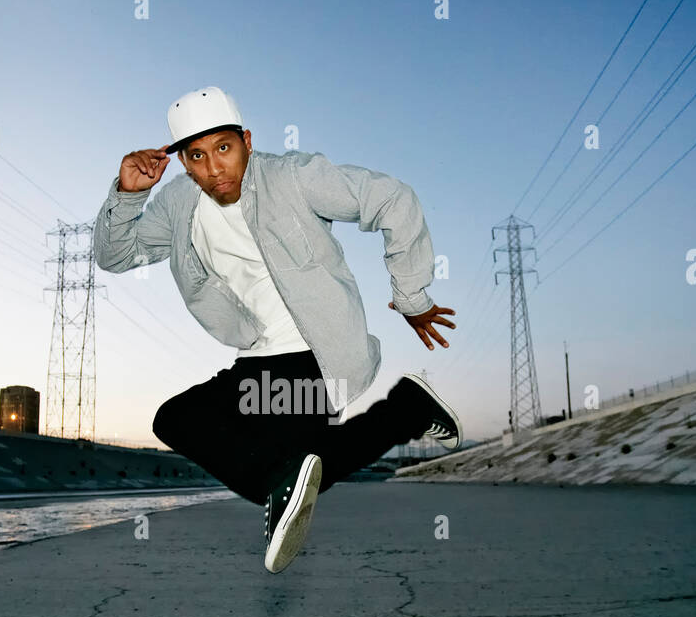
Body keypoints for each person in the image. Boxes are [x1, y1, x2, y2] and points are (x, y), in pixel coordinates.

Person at [93, 86, 461, 573]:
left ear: (246, 140)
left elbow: (392, 199)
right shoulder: (178, 204)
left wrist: (412, 297)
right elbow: (116, 256)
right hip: (256, 361)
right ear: (182, 162)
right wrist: (127, 196)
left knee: (303, 461)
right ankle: (404, 411)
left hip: (318, 353)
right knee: (176, 420)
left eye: (224, 149)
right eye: (197, 157)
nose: (213, 169)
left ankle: (374, 430)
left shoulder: (293, 176)